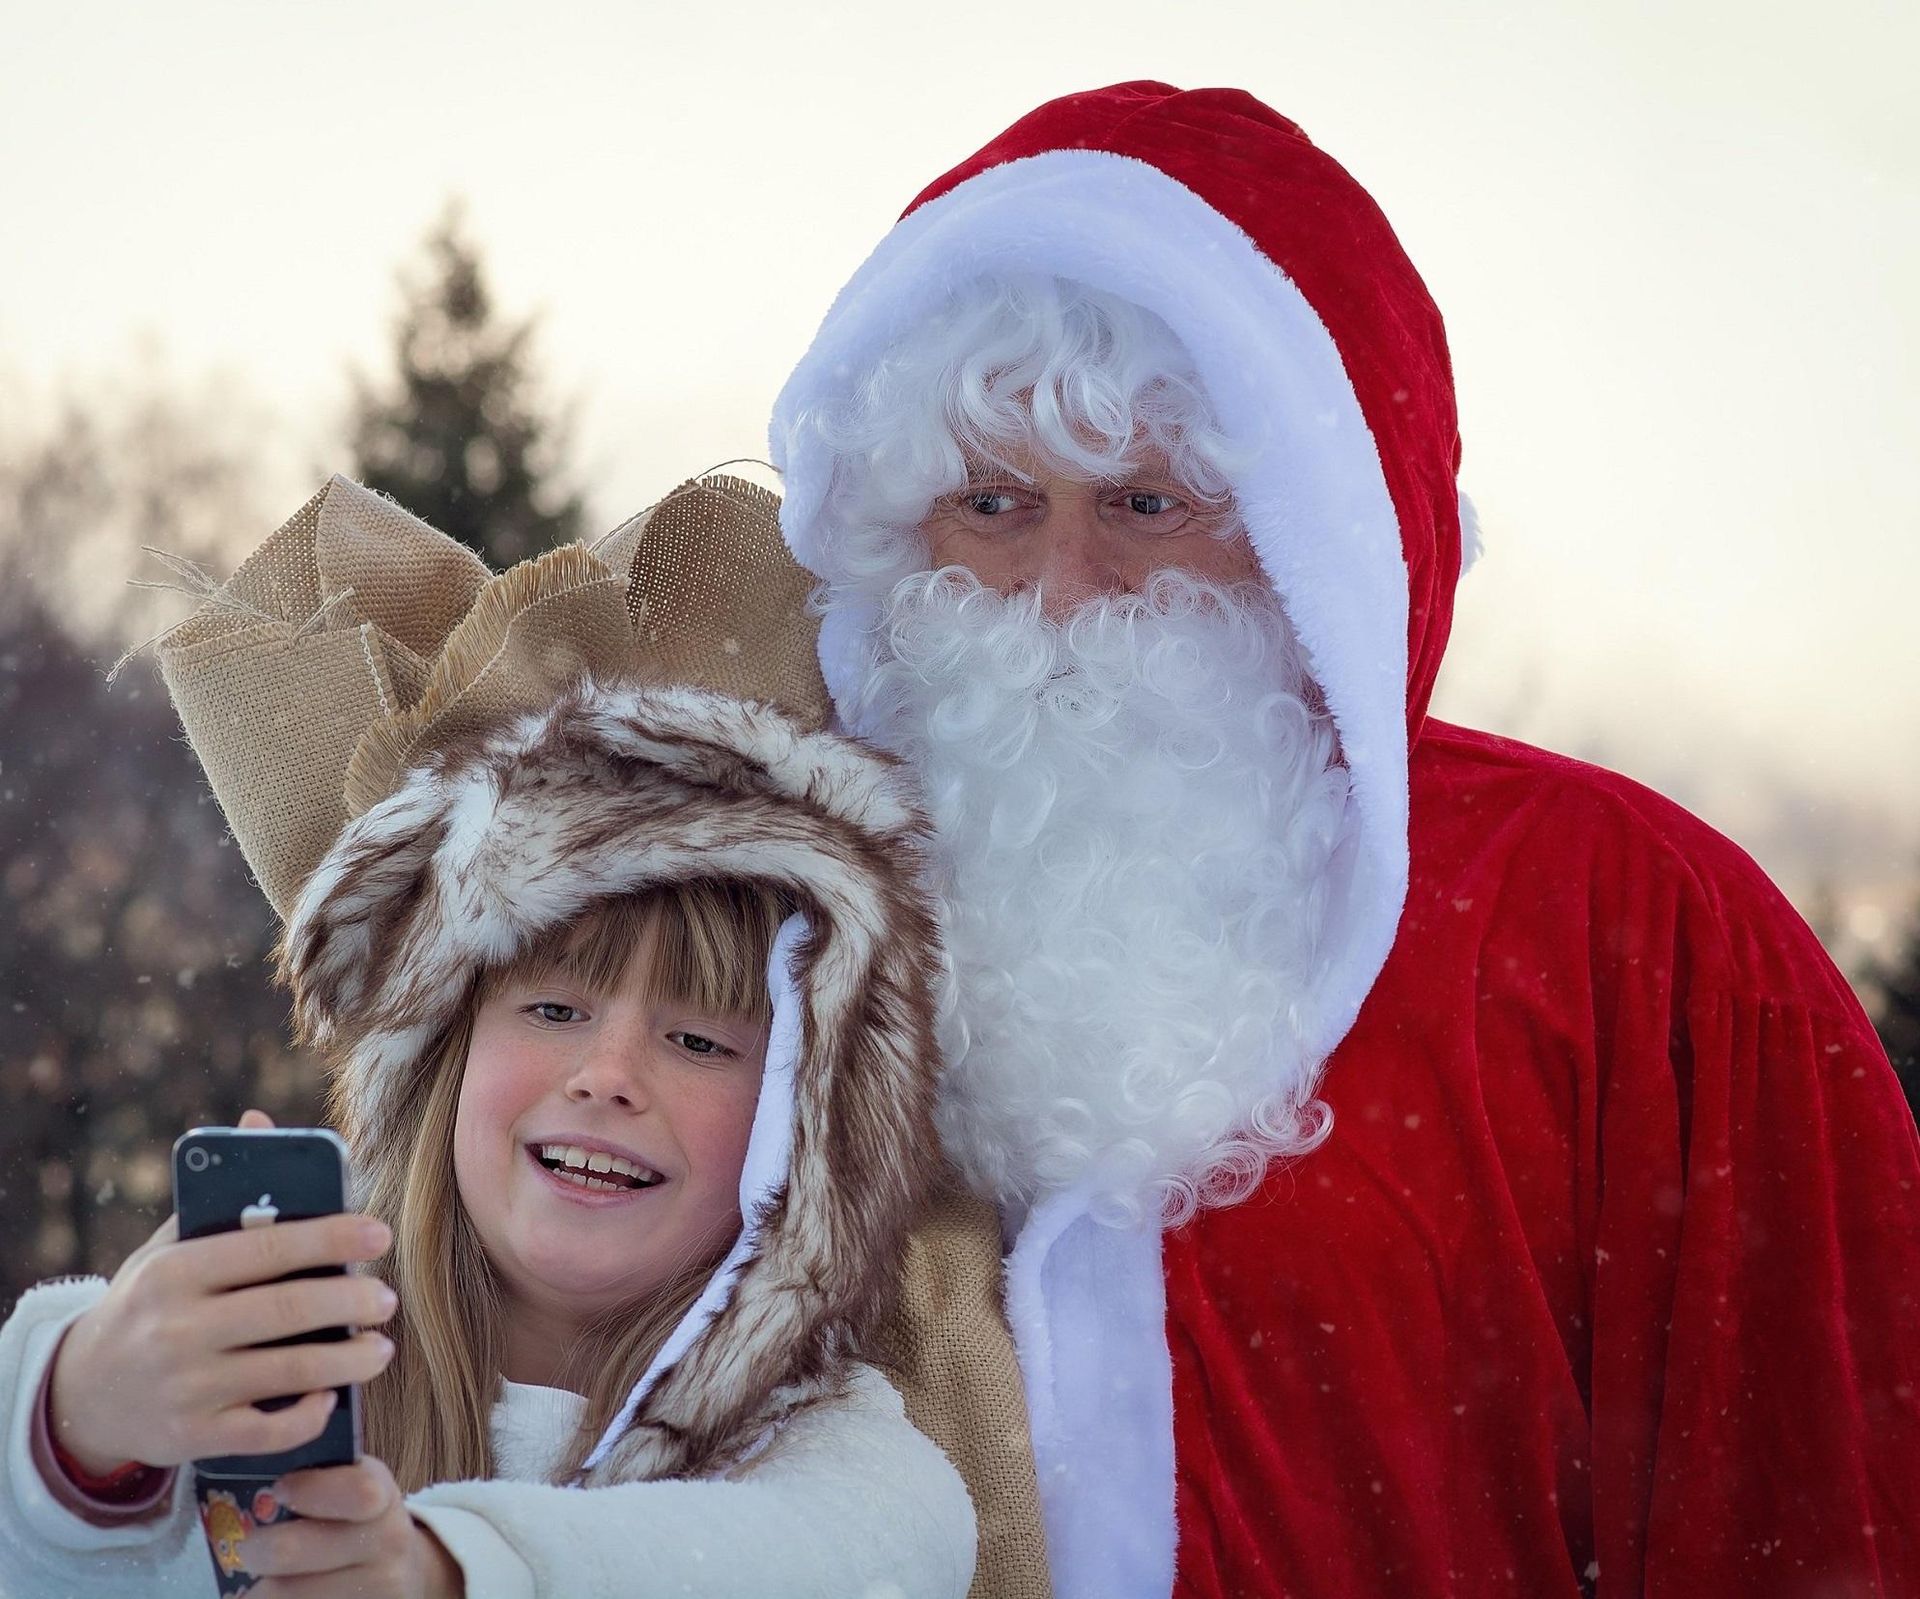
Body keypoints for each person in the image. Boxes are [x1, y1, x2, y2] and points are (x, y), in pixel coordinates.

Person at [769, 83, 1920, 1598]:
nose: (1063, 587)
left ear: (1309, 536)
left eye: (1146, 502)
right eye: (992, 503)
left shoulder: (1625, 924)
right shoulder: (752, 916)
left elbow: (1821, 1507)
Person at [0, 474, 976, 1598]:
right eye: (553, 1011)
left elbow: (809, 1562)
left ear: (803, 1132)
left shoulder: (850, 1473)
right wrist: (80, 1413)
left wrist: (442, 1571)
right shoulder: (259, 1399)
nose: (607, 1077)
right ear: (442, 1062)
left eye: (700, 1042)